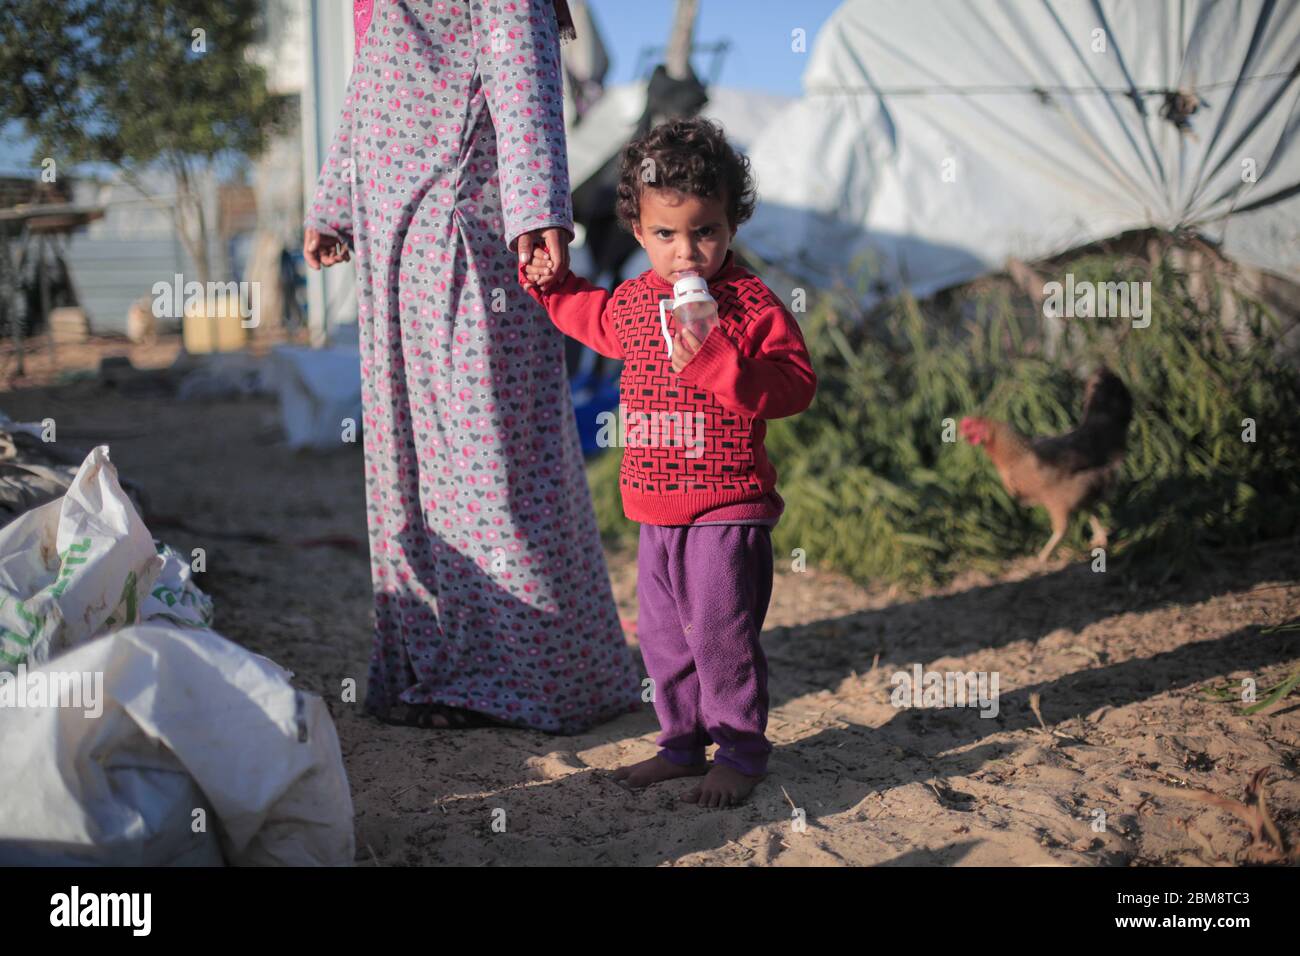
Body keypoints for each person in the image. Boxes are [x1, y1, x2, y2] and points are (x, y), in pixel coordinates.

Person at [303, 0, 639, 733]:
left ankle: (536, 675)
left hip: (461, 226)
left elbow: (522, 64)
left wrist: (537, 211)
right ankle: (443, 668)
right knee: (408, 457)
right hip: (393, 228)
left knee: (491, 452)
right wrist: (335, 202)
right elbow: (368, 85)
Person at [520, 117, 818, 806]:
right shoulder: (634, 302)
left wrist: (721, 365)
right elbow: (586, 316)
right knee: (662, 639)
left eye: (705, 231)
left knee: (720, 632)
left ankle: (741, 750)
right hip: (655, 510)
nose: (687, 253)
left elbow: (794, 385)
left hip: (727, 504)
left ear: (733, 224)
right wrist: (551, 282)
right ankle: (680, 744)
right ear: (636, 228)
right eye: (665, 234)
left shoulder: (748, 304)